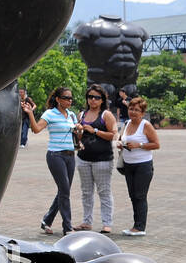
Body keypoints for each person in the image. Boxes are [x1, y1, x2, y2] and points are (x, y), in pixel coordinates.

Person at [22, 86, 78, 235]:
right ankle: (68, 227)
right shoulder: (50, 114)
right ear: (58, 99)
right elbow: (36, 129)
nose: (69, 100)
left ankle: (47, 220)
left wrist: (79, 130)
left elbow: (76, 136)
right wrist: (30, 114)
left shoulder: (72, 115)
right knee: (65, 190)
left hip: (71, 156)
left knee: (63, 190)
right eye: (66, 98)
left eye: (71, 98)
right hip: (55, 156)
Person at [73, 83, 117, 233]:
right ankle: (86, 221)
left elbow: (113, 134)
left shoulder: (106, 115)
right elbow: (79, 137)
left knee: (104, 191)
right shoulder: (81, 115)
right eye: (90, 97)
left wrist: (95, 130)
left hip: (102, 159)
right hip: (83, 158)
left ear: (102, 100)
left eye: (96, 98)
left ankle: (107, 223)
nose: (93, 100)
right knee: (86, 192)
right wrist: (78, 131)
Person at [119, 96, 160, 236]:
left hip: (143, 165)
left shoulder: (145, 125)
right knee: (132, 196)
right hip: (128, 165)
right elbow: (120, 140)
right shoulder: (126, 123)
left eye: (137, 110)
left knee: (140, 195)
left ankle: (140, 227)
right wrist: (120, 144)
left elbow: (156, 144)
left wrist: (140, 145)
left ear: (142, 113)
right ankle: (136, 225)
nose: (133, 112)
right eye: (131, 109)